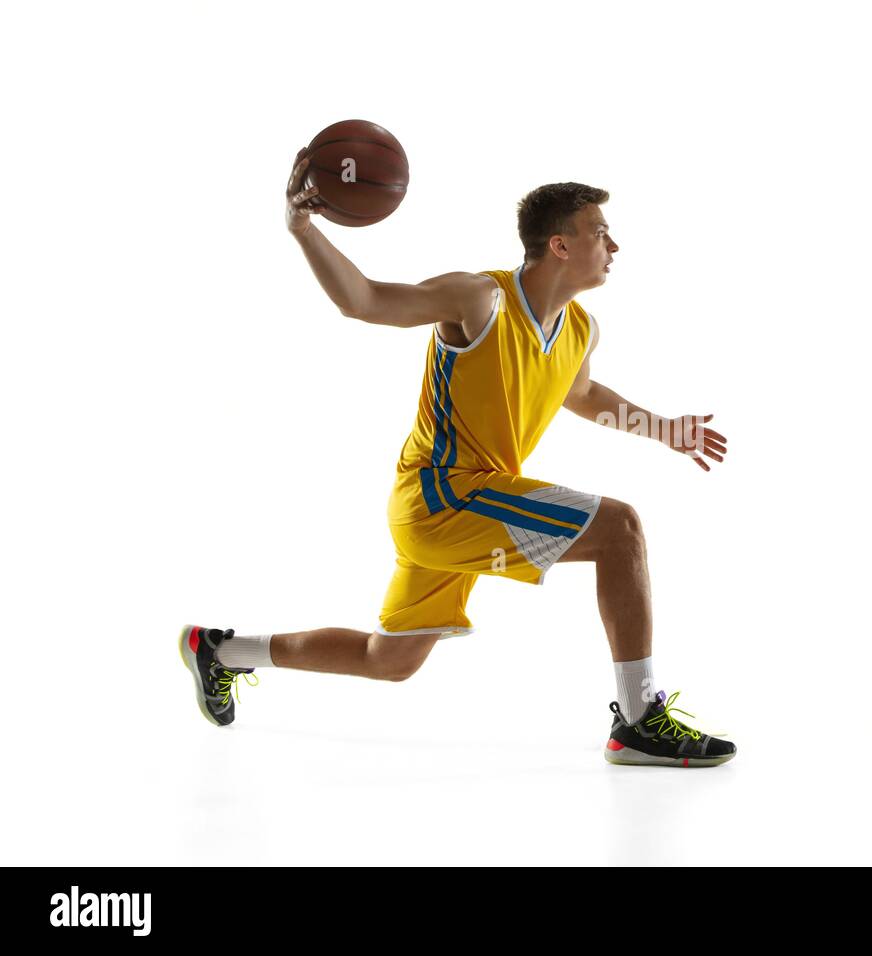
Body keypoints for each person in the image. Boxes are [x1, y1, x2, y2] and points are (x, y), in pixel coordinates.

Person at [178, 150, 736, 767]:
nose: (615, 245)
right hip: (441, 496)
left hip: (470, 505)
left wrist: (663, 428)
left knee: (387, 661)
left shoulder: (580, 328)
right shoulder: (478, 300)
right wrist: (303, 228)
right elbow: (363, 299)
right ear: (559, 245)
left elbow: (581, 393)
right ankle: (639, 720)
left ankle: (221, 650)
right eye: (600, 231)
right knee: (619, 528)